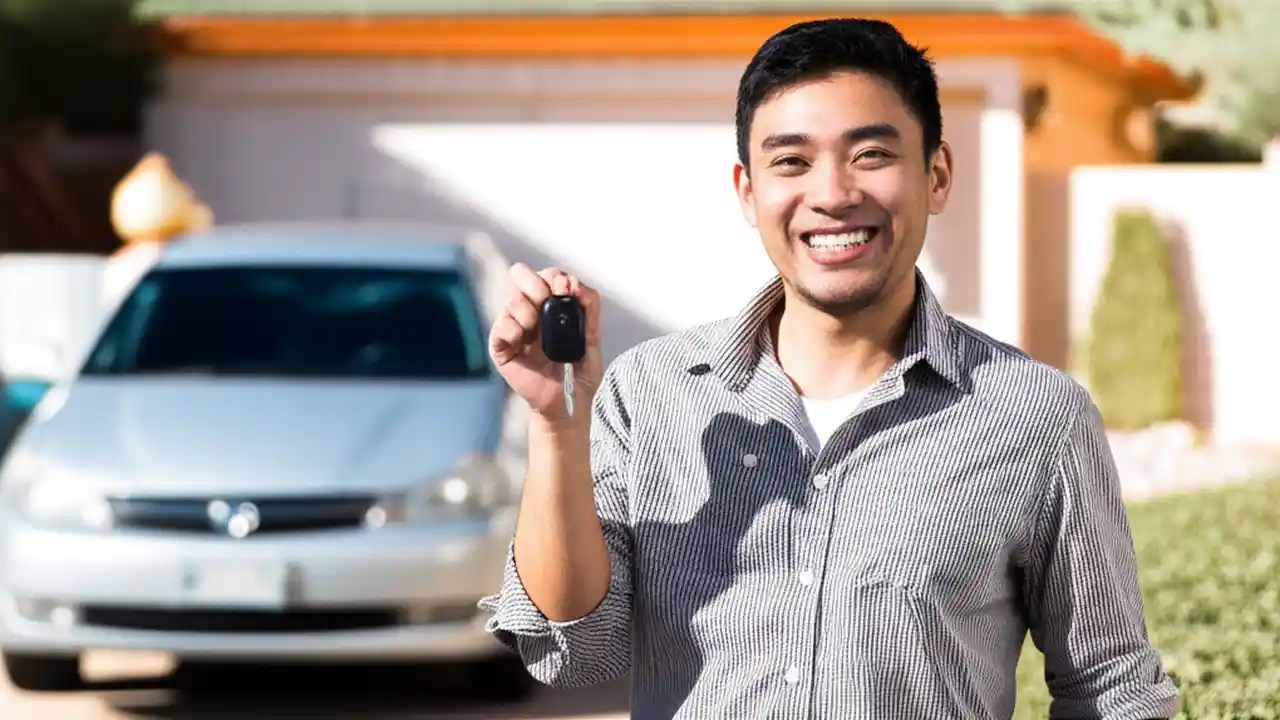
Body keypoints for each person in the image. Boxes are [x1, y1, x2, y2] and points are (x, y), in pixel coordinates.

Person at [479, 17, 1179, 719]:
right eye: (792, 162)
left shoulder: (1037, 417)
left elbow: (1112, 691)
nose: (834, 193)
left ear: (937, 174)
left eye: (871, 154)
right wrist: (556, 427)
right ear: (748, 191)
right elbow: (575, 650)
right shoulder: (649, 393)